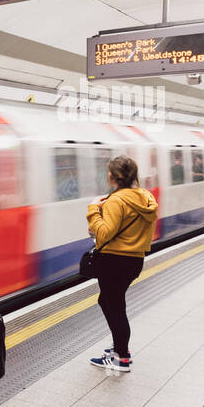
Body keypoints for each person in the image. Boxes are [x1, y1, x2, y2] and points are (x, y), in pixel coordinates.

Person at [86, 156, 158, 373]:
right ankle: (119, 348)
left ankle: (121, 357)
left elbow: (105, 233)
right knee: (108, 302)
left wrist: (93, 211)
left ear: (111, 176)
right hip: (133, 260)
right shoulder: (145, 196)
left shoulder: (116, 201)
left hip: (113, 261)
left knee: (115, 307)